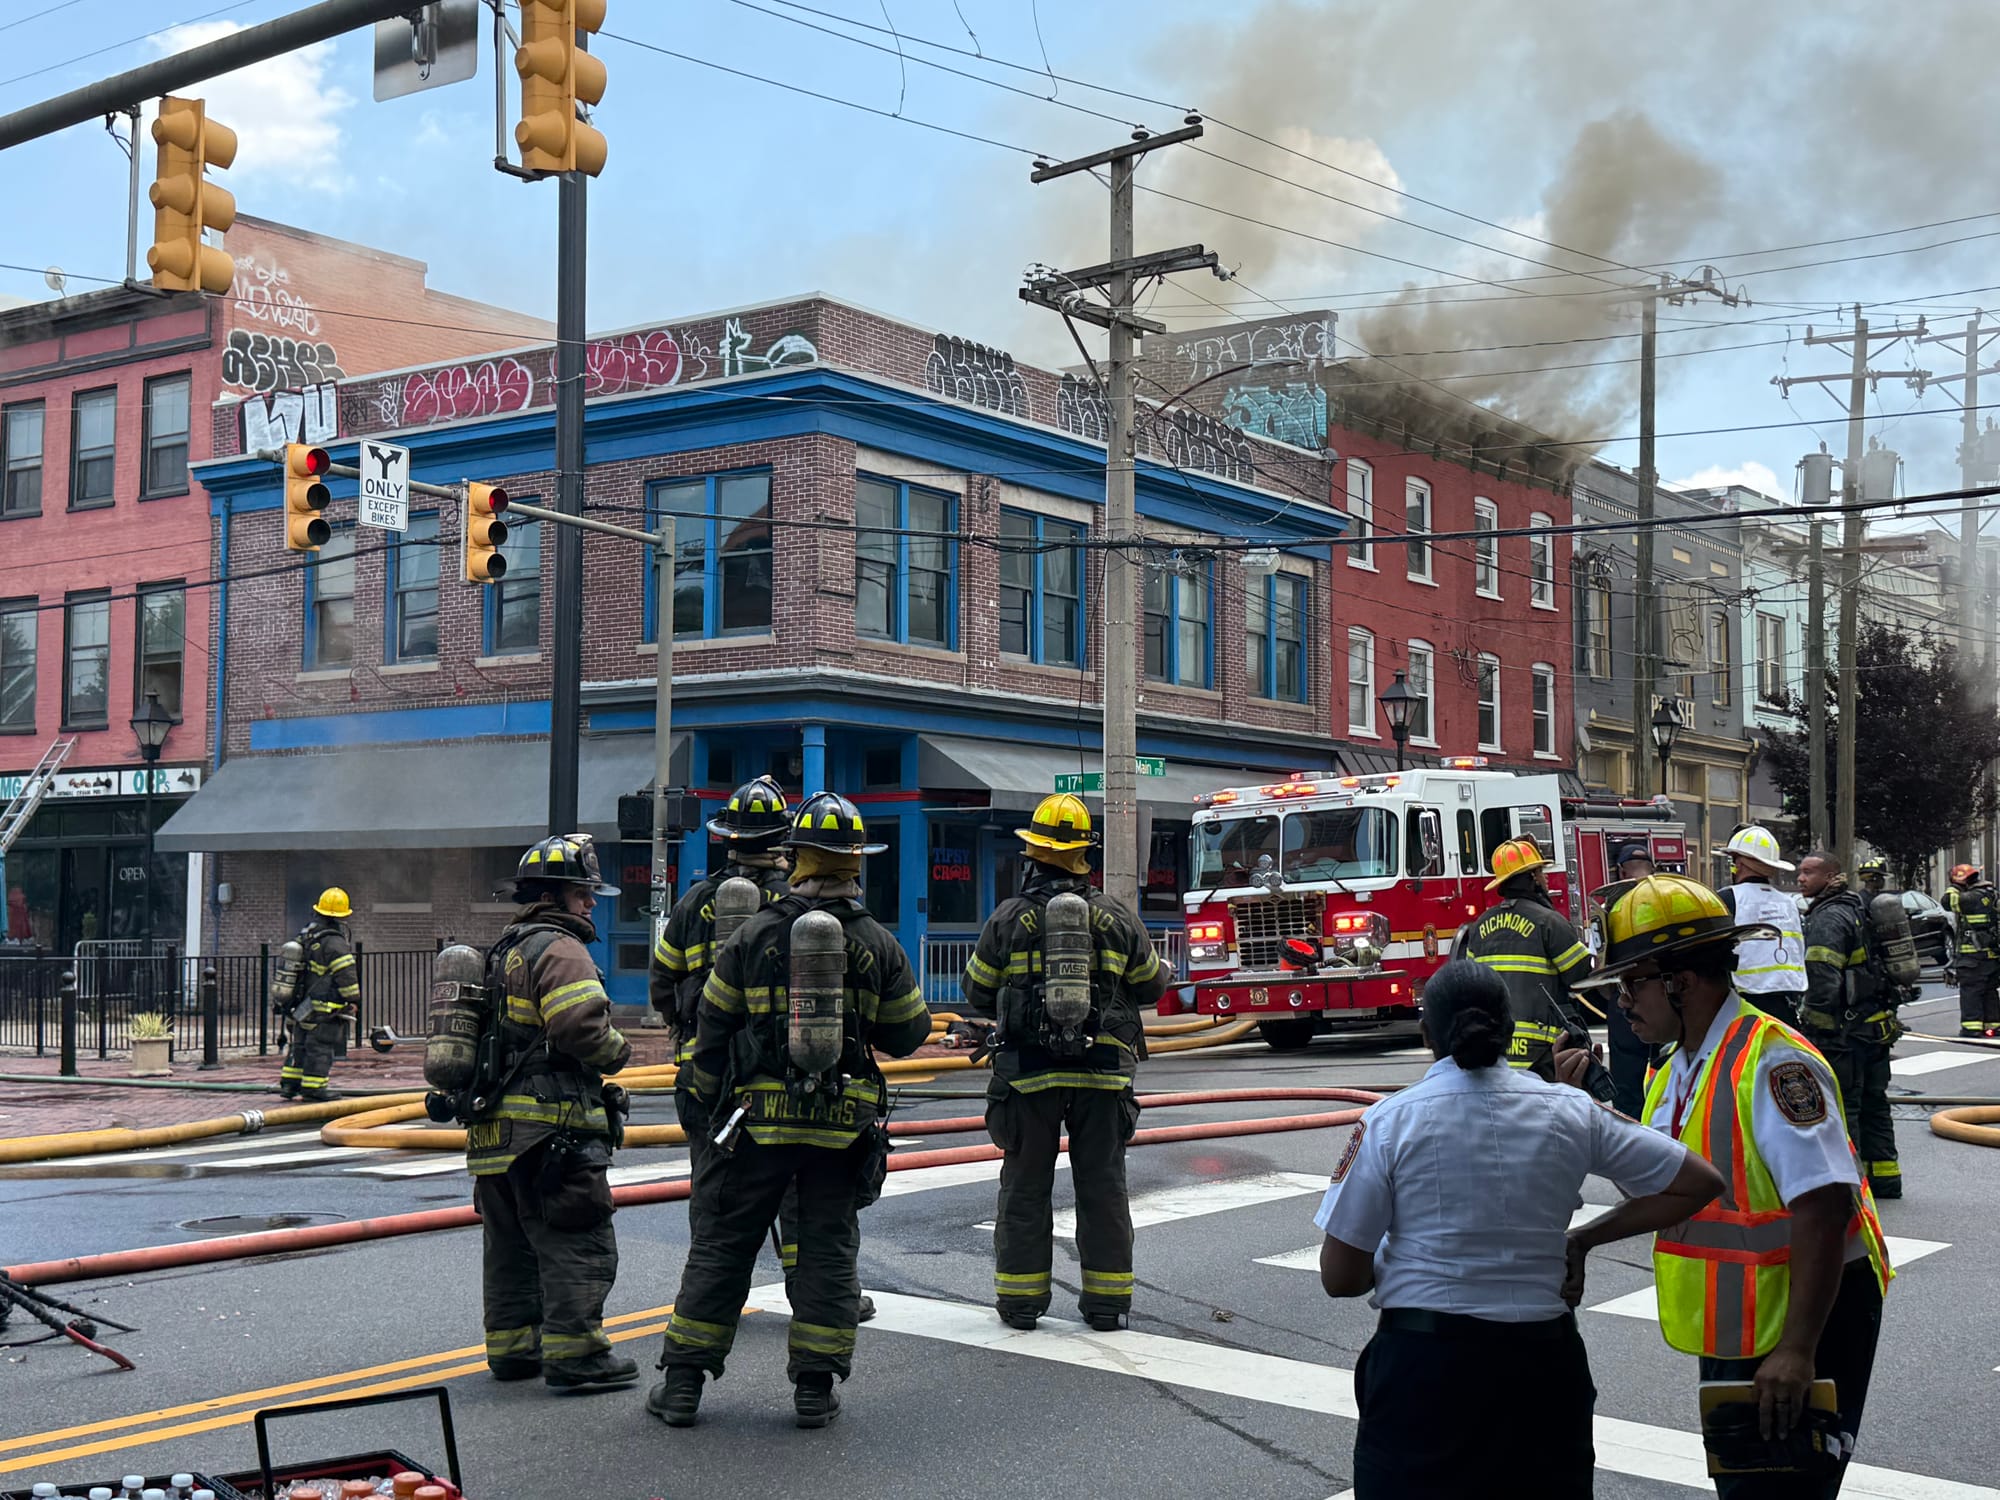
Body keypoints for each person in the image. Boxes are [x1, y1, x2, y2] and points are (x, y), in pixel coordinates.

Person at [1316, 960, 1722, 1500]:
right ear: (1510, 1031)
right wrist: (1582, 1239)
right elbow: (1698, 1182)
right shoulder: (1572, 1111)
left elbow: (1341, 1277)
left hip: (1426, 1370)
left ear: (1426, 1034)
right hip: (1542, 1367)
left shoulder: (1391, 1122)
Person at [1574, 873, 1893, 1499]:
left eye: (1630, 984)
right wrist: (1584, 1238)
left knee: (1782, 1491)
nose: (1621, 1004)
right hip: (1744, 1323)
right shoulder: (1681, 1065)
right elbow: (1661, 1182)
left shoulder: (1774, 1061)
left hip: (1810, 1318)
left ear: (1681, 983)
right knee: (1747, 1486)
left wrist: (1799, 1349)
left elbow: (1826, 1208)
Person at [650, 791, 931, 1431]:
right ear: (856, 862)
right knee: (828, 1252)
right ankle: (813, 1389)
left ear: (796, 856)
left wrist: (710, 1103)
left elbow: (712, 1023)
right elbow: (907, 1033)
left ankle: (683, 1388)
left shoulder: (751, 932)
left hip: (752, 1126)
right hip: (839, 1129)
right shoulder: (875, 942)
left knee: (723, 1247)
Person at [961, 792, 1169, 1333]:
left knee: (1025, 1187)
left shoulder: (1009, 918)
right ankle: (1106, 1305)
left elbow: (977, 991)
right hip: (1103, 1076)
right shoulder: (1116, 917)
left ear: (1033, 854)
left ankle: (1021, 1304)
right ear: (1083, 855)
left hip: (1028, 1077)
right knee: (1102, 1187)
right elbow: (1151, 985)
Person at [467, 834, 637, 1392]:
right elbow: (579, 1027)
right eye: (582, 893)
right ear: (554, 896)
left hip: (495, 1134)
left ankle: (514, 1350)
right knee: (577, 1240)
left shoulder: (503, 950)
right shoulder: (560, 948)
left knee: (511, 1246)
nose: (590, 904)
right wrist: (618, 1051)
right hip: (552, 1130)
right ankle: (577, 1355)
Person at [1797, 851, 1902, 1201]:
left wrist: (1814, 1029)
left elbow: (1822, 981)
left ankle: (1851, 1189)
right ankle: (1886, 1180)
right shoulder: (1859, 908)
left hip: (1845, 1034)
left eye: (1809, 873)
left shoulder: (1829, 918)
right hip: (1875, 1026)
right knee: (1876, 1103)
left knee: (1846, 1108)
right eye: (1800, 872)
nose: (1800, 879)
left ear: (1831, 876)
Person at [1451, 837, 1595, 1079]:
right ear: (1531, 878)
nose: (1545, 878)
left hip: (1497, 1049)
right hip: (1544, 1052)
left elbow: (1473, 985)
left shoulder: (1479, 926)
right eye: (1540, 871)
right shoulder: (1548, 922)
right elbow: (1581, 976)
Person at [277, 887, 362, 1102]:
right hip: (324, 1008)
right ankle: (314, 1087)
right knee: (320, 1047)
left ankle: (290, 1084)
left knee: (300, 1044)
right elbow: (346, 976)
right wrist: (353, 1000)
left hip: (301, 1005)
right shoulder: (335, 943)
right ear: (342, 917)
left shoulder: (306, 936)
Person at [1720, 826, 1807, 1028]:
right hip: (1788, 1002)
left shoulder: (1728, 898)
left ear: (1739, 864)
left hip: (1744, 1003)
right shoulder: (1789, 903)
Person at [1943, 863, 2000, 1040]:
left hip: (1973, 957)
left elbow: (1947, 902)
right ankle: (1993, 1026)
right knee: (1990, 991)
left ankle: (1972, 1027)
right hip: (1992, 956)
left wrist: (1954, 887)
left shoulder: (1969, 898)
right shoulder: (1992, 894)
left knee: (1971, 992)